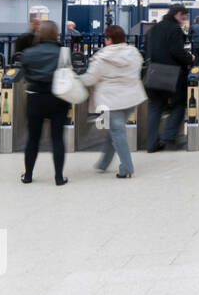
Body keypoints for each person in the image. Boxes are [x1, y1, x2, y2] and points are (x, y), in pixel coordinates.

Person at [78, 24, 146, 179]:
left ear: (109, 39)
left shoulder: (101, 57)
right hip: (131, 98)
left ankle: (127, 168)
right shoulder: (133, 53)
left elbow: (90, 79)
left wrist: (75, 78)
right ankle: (104, 163)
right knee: (115, 130)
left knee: (117, 132)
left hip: (111, 100)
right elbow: (138, 69)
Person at [19, 20, 70, 186]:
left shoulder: (29, 52)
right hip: (58, 98)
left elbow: (25, 73)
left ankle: (28, 175)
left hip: (35, 97)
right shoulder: (63, 52)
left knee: (33, 138)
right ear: (56, 34)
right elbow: (68, 74)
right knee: (57, 138)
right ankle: (58, 177)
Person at [144, 4, 194, 153]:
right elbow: (176, 51)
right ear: (177, 14)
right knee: (179, 104)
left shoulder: (154, 28)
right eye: (183, 16)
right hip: (171, 73)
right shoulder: (175, 29)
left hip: (153, 72)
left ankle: (151, 144)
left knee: (155, 107)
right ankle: (168, 136)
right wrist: (190, 58)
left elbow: (147, 49)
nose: (183, 20)